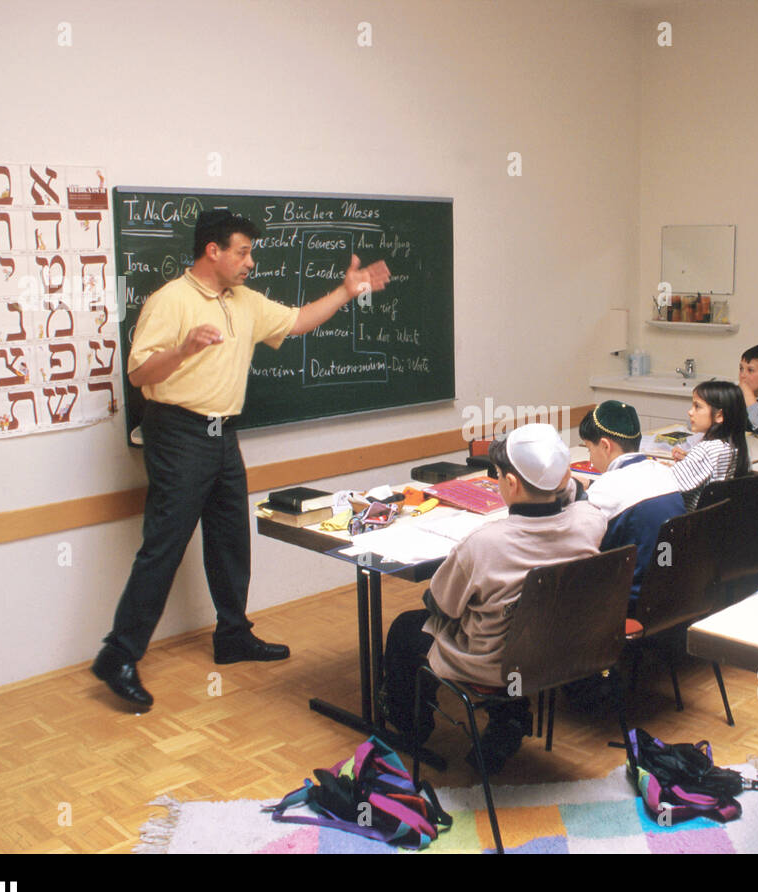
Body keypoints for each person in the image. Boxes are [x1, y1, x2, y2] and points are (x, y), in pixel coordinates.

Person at [91, 210, 391, 709]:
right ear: (214, 251)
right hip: (179, 432)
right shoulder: (172, 300)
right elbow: (141, 374)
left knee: (231, 536)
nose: (251, 261)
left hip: (222, 433)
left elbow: (296, 322)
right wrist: (185, 348)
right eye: (243, 251)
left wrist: (347, 291)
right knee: (164, 545)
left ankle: (232, 635)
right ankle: (118, 654)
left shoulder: (243, 301)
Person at [380, 424, 607, 773]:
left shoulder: (483, 544)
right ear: (564, 479)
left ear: (511, 484)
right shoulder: (590, 522)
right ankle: (508, 716)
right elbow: (580, 499)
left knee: (405, 628)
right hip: (563, 652)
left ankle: (413, 729)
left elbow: (441, 604)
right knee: (510, 624)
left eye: (499, 475)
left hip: (493, 664)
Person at [578, 400, 685, 609]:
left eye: (590, 450)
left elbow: (576, 544)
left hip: (631, 600)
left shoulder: (605, 490)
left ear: (605, 445)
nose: (590, 461)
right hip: (672, 590)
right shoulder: (664, 472)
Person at [669, 380, 750, 510]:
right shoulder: (732, 446)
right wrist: (688, 461)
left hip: (688, 523)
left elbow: (667, 482)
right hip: (714, 521)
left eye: (697, 406)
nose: (690, 412)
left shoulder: (706, 450)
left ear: (719, 415)